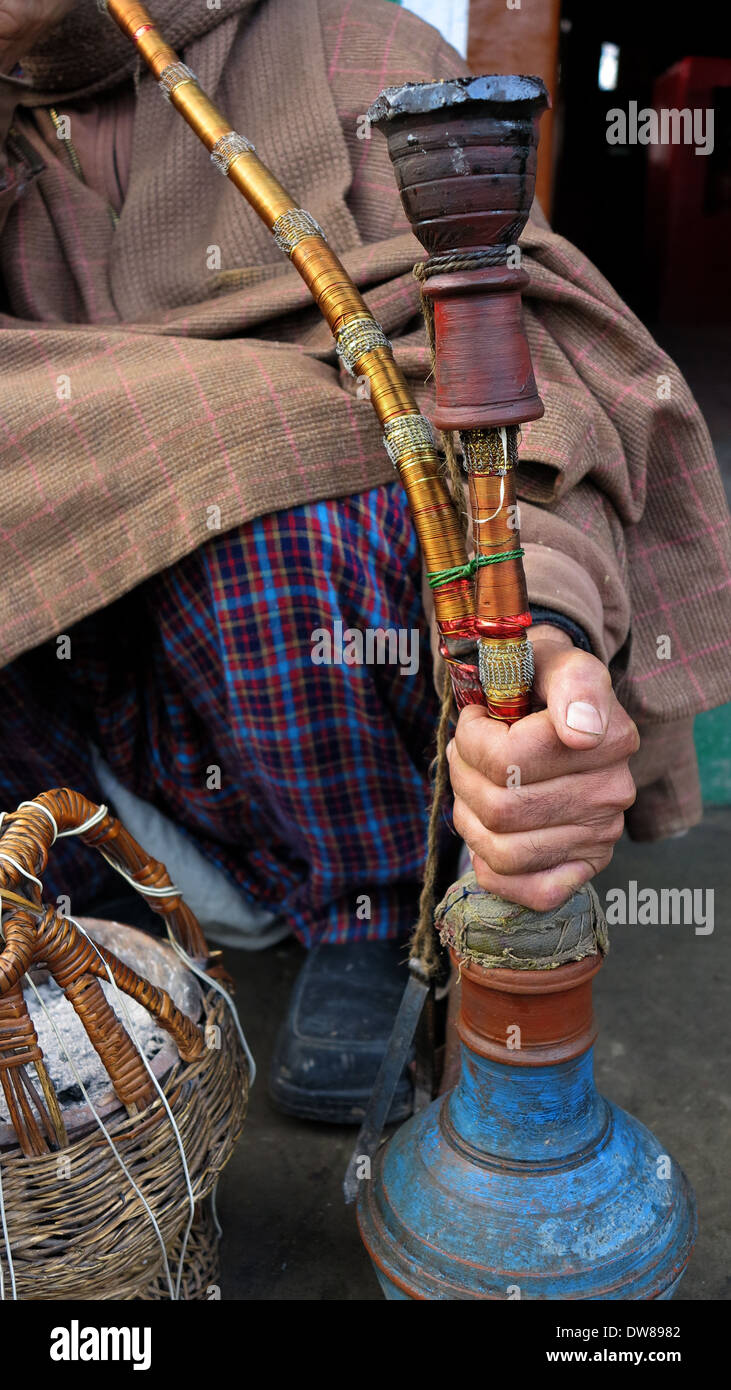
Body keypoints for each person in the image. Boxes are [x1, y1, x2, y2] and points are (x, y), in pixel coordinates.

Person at [0, 0, 728, 1122]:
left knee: (266, 445)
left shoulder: (349, 43)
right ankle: (82, 914)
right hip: (99, 714)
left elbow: (513, 358)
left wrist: (539, 632)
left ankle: (373, 905)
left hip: (327, 676)